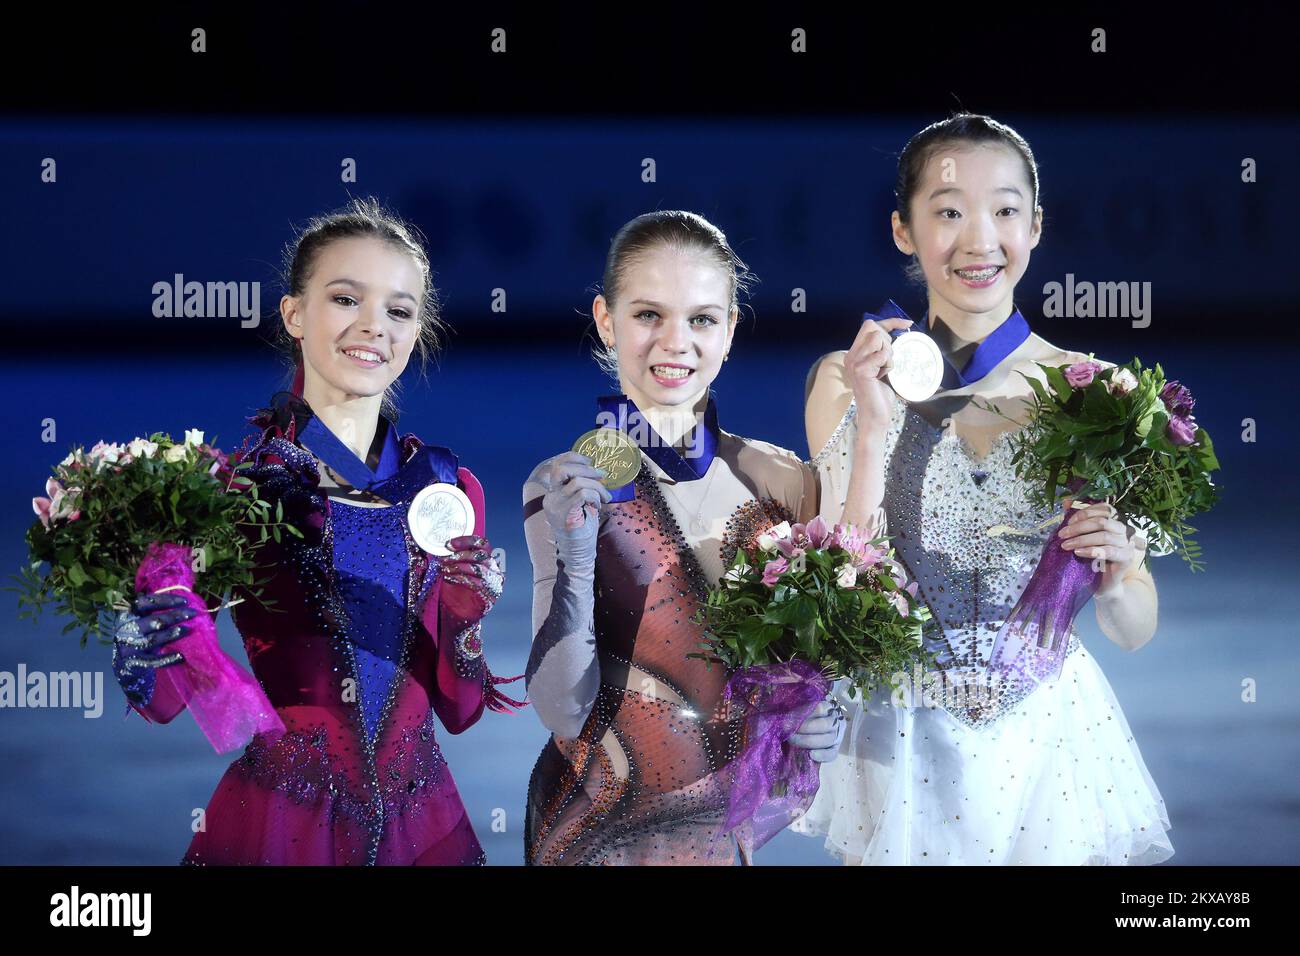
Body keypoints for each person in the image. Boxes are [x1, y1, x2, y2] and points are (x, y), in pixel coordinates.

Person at [795, 114, 1174, 865]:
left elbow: (1134, 630)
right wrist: (874, 427)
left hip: (1050, 748)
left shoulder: (1101, 395)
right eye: (948, 211)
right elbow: (839, 601)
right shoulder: (845, 380)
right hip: (894, 737)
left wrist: (1115, 574)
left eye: (1004, 210)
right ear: (903, 230)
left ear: (1036, 225)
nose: (979, 240)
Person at [110, 198, 520, 865]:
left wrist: (466, 624)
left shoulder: (445, 487)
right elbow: (161, 702)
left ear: (418, 330)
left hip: (423, 822)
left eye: (398, 309)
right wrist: (145, 623)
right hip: (283, 825)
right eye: (345, 298)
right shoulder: (234, 492)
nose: (373, 327)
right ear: (295, 314)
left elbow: (461, 710)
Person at [522, 210, 844, 865]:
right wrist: (578, 555)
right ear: (606, 321)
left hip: (719, 832)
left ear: (729, 330)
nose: (675, 342)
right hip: (592, 832)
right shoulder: (564, 486)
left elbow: (814, 661)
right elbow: (561, 709)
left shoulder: (782, 481)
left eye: (700, 319)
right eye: (648, 315)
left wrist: (816, 718)